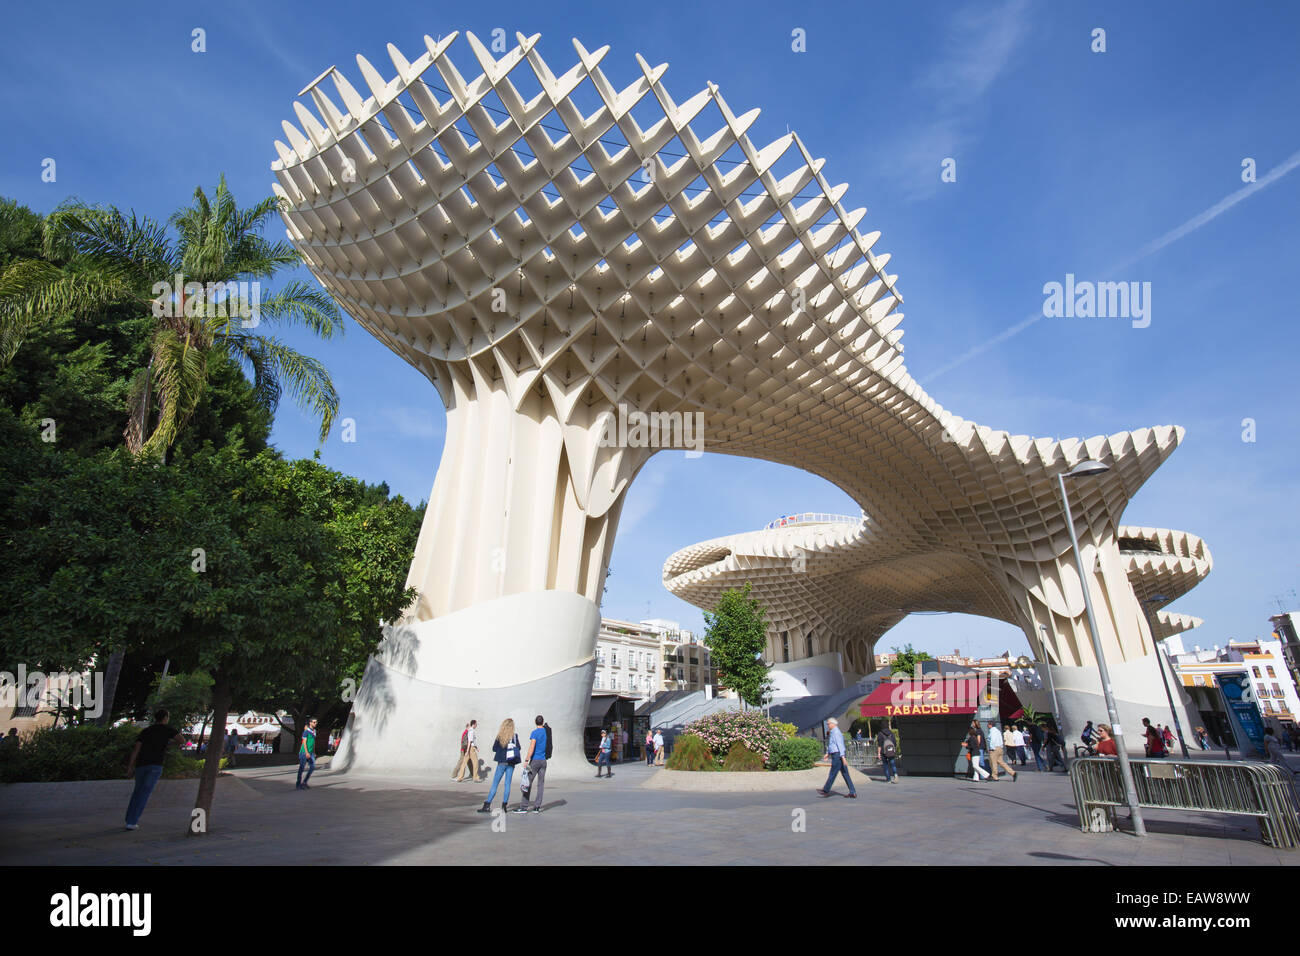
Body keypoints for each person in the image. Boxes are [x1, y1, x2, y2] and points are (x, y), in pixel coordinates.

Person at [124, 709, 184, 830]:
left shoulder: (146, 731)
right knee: (145, 793)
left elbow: (136, 749)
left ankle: (129, 819)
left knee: (137, 792)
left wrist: (130, 766)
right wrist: (167, 743)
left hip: (141, 764)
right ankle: (132, 821)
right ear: (165, 718)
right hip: (156, 764)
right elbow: (182, 740)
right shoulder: (168, 730)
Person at [478, 719, 521, 814]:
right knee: (507, 784)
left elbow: (494, 748)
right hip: (511, 762)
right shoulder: (514, 736)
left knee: (495, 784)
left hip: (501, 762)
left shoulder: (500, 736)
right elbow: (519, 748)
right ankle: (504, 806)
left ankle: (487, 805)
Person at [513, 715, 548, 813]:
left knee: (527, 782)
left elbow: (532, 747)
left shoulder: (535, 733)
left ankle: (524, 806)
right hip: (543, 761)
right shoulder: (545, 732)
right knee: (540, 784)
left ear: (535, 722)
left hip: (535, 760)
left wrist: (526, 759)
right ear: (543, 722)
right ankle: (537, 807)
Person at [816, 717, 857, 798]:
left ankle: (826, 790)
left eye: (828, 724)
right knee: (845, 774)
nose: (828, 725)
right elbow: (832, 744)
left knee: (833, 772)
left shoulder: (836, 732)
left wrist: (843, 757)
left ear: (833, 724)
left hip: (837, 755)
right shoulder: (833, 732)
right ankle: (852, 792)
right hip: (837, 754)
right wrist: (828, 753)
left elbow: (840, 745)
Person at [296, 717, 318, 789]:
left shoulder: (314, 732)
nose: (315, 723)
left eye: (316, 722)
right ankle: (298, 784)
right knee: (301, 768)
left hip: (311, 752)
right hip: (304, 752)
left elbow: (313, 743)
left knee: (312, 767)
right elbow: (304, 743)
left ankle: (304, 782)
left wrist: (314, 752)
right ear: (310, 723)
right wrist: (306, 752)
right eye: (314, 722)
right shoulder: (306, 732)